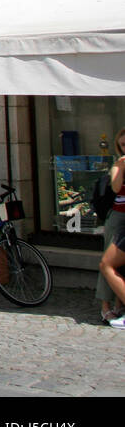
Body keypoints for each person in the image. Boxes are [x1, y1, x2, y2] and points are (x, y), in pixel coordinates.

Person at [98, 128, 125, 325]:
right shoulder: (118, 164)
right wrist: (122, 167)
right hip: (118, 216)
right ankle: (105, 307)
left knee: (116, 264)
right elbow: (116, 188)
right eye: (123, 145)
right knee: (108, 262)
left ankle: (119, 305)